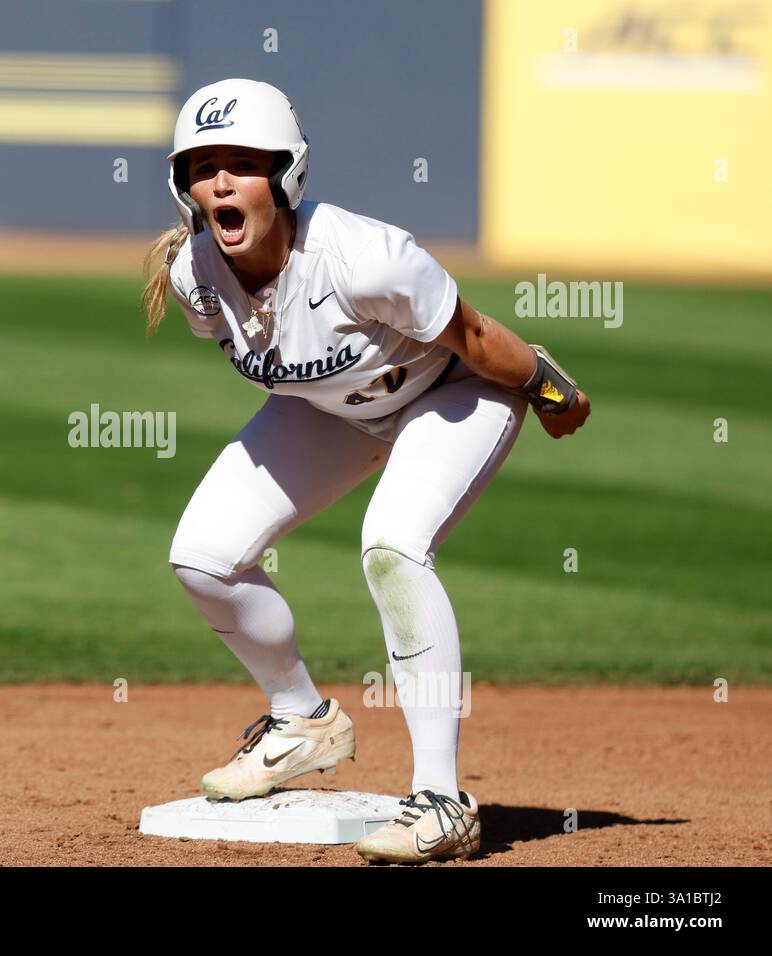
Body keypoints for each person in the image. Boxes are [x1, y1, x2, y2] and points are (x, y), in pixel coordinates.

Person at [143, 78, 590, 863]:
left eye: (243, 163)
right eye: (202, 166)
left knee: (392, 547)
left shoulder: (365, 259)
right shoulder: (198, 278)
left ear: (286, 176)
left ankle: (444, 800)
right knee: (203, 558)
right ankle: (302, 721)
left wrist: (546, 387)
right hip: (336, 411)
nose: (220, 181)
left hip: (454, 394)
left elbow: (475, 334)